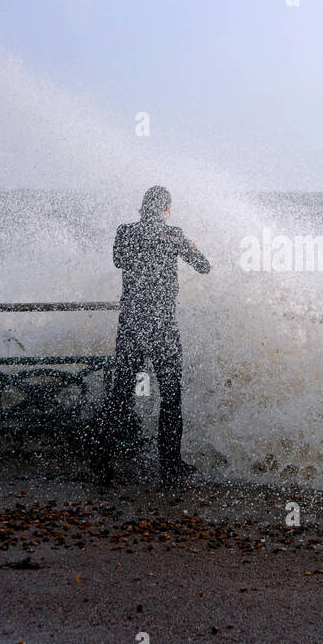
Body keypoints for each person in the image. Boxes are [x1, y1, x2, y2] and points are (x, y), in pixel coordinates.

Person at [98, 185, 210, 485]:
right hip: (161, 327)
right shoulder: (173, 235)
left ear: (142, 207)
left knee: (121, 395)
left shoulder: (125, 233)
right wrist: (191, 245)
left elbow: (119, 260)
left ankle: (104, 462)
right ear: (166, 210)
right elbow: (204, 267)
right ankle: (170, 465)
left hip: (132, 324)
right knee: (171, 397)